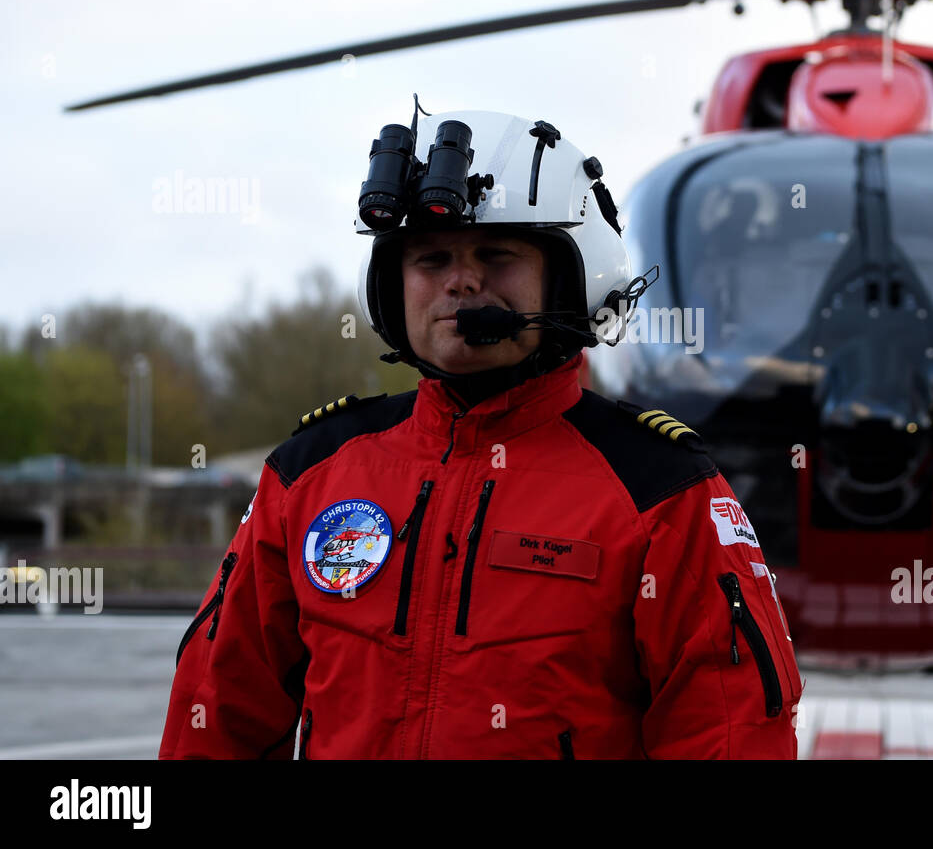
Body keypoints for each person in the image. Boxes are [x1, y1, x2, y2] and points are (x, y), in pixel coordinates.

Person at [158, 108, 803, 759]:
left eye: (496, 254)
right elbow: (217, 710)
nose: (460, 281)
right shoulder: (311, 473)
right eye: (431, 258)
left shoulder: (658, 488)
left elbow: (730, 728)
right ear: (390, 285)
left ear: (574, 274)